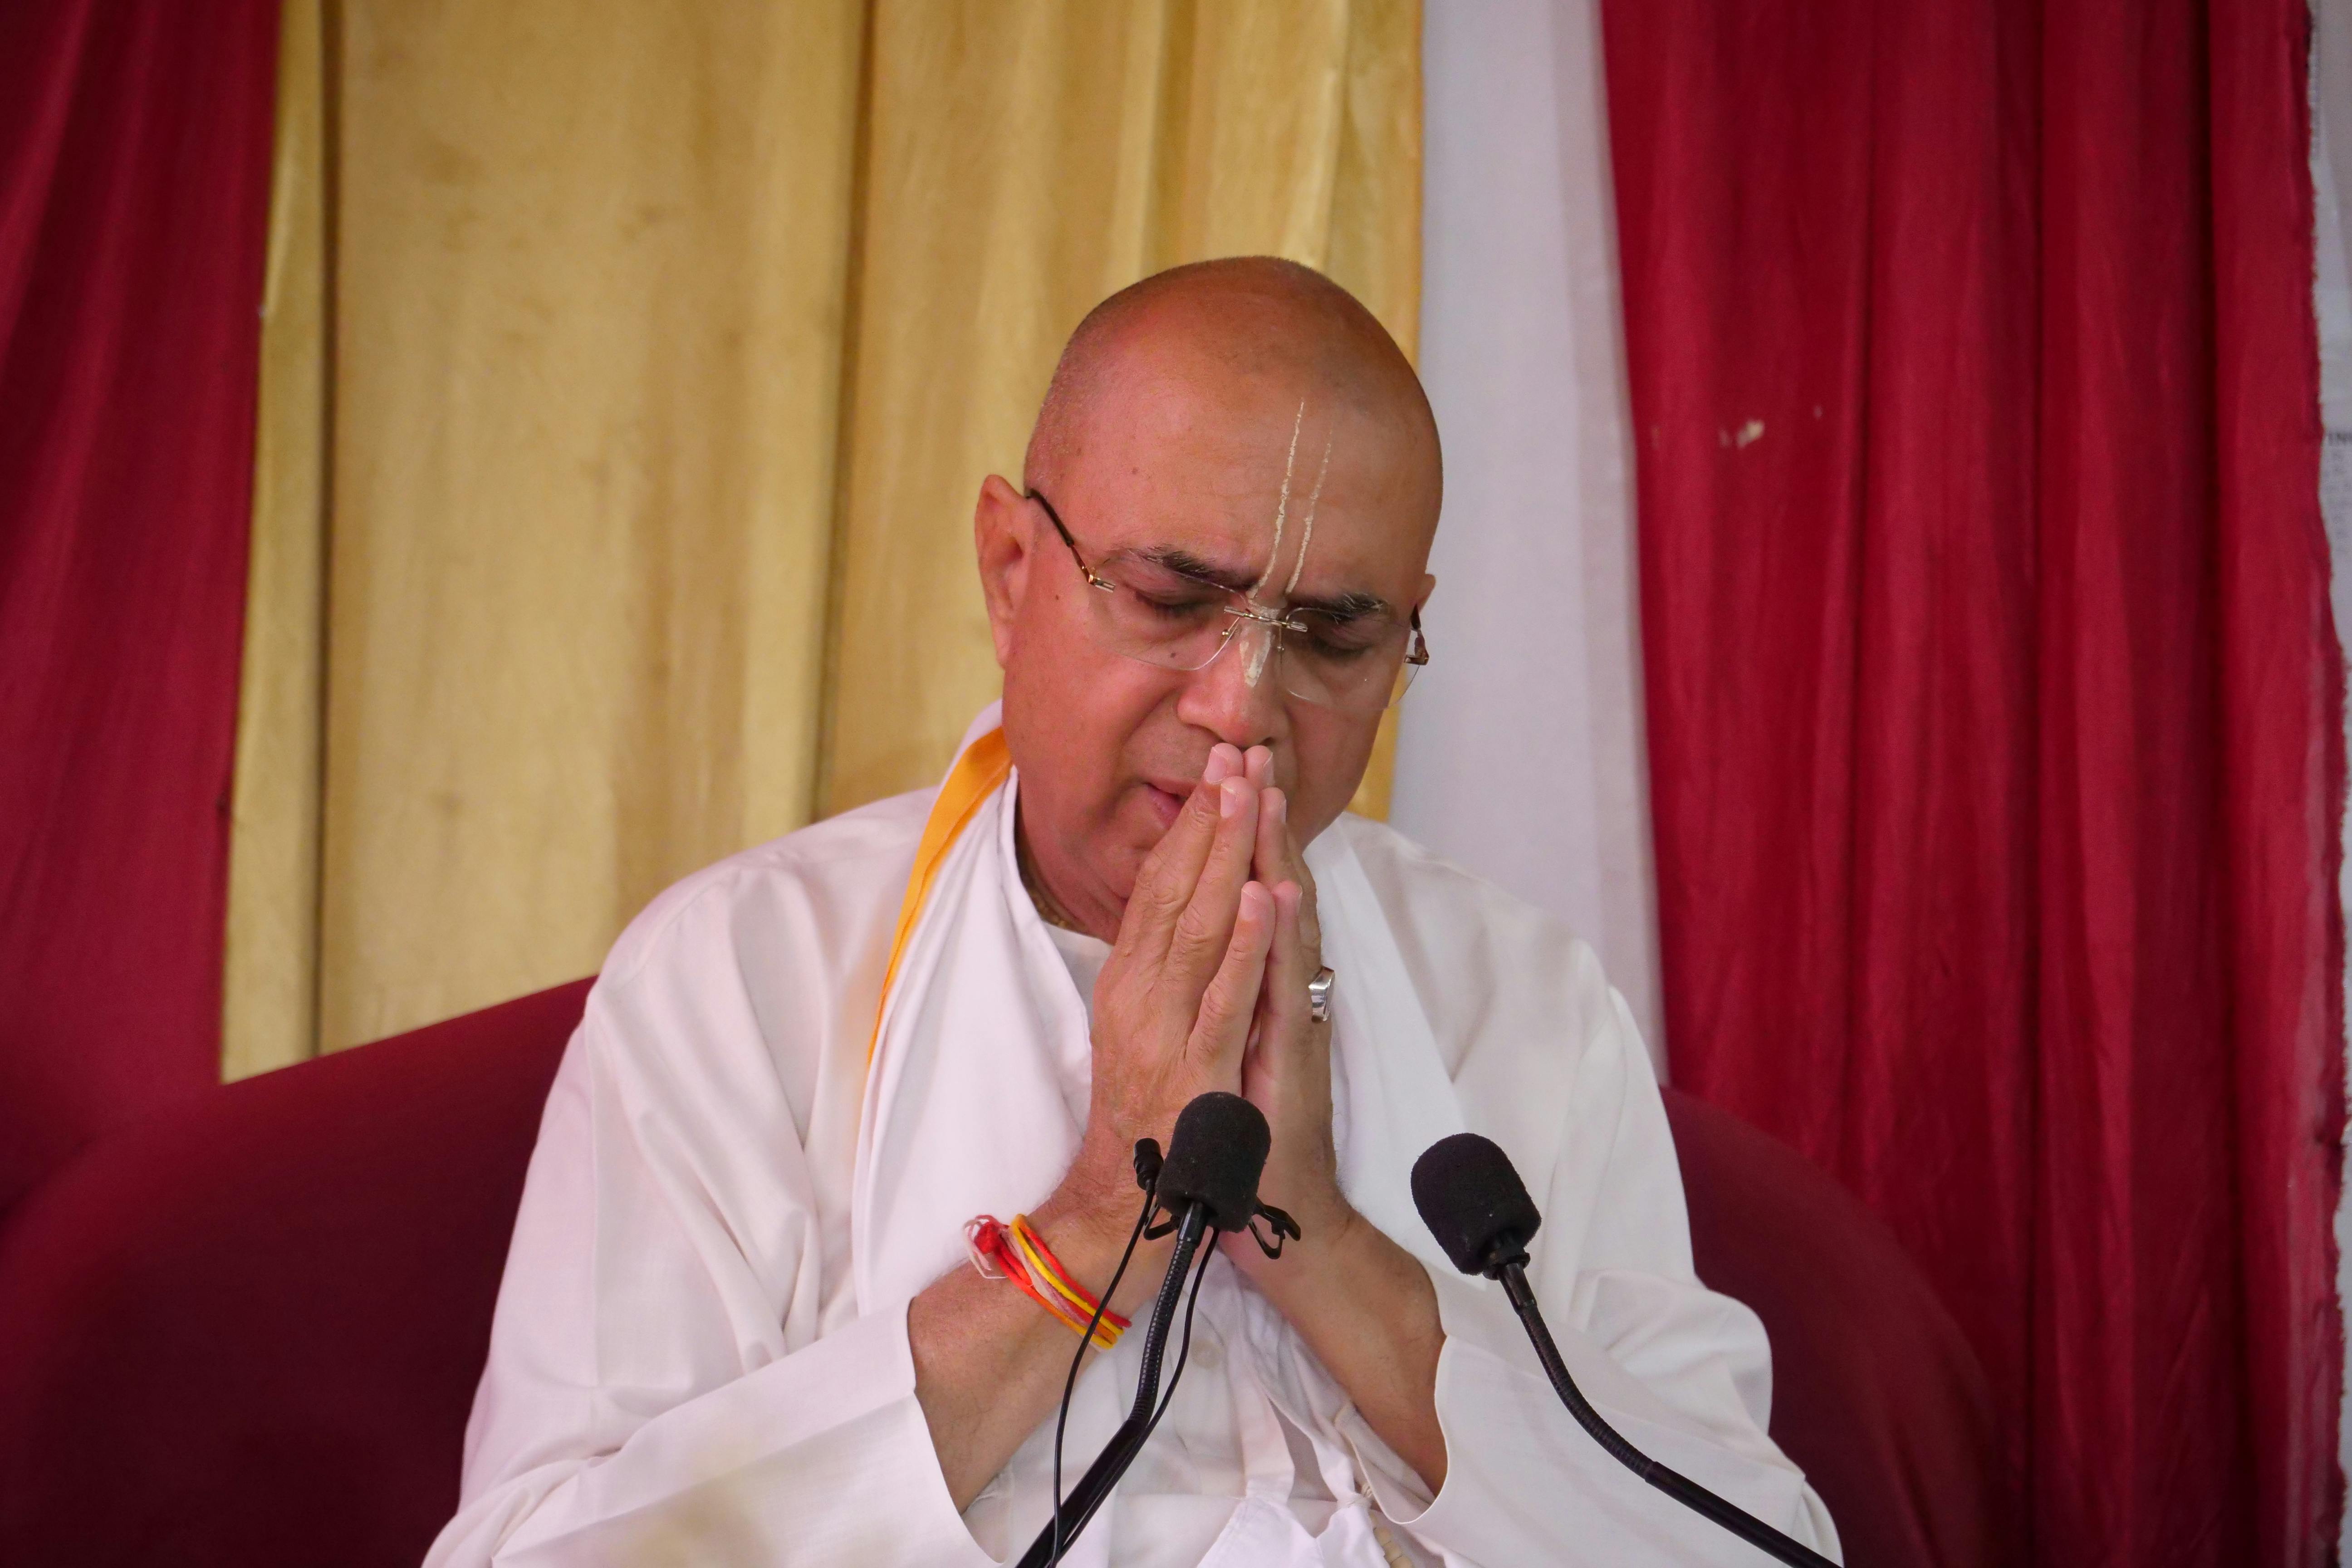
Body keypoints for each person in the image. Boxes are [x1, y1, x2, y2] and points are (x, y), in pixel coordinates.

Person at [425, 257, 1839, 1567]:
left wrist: (1318, 1239)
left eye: (1333, 634)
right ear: (1011, 572)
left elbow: (1754, 1543)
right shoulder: (746, 983)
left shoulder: (1518, 998)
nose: (1243, 707)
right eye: (1172, 599)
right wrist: (1104, 1217)